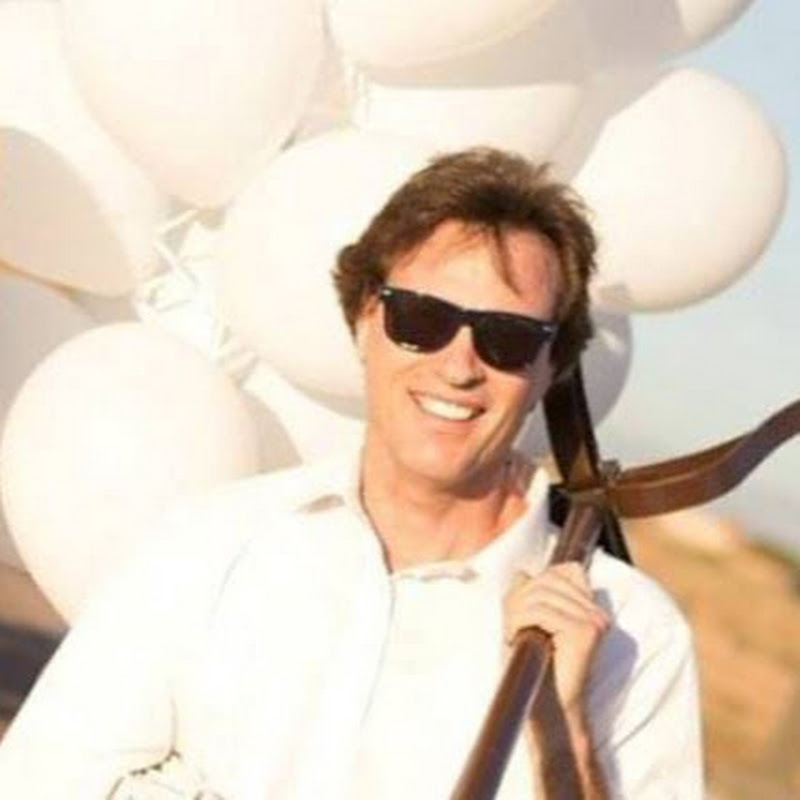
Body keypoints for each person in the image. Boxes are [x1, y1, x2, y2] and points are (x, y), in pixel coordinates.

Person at [0, 148, 702, 799]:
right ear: (366, 320)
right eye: (422, 319)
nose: (459, 366)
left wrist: (566, 734)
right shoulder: (210, 541)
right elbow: (44, 779)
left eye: (508, 338)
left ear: (552, 367)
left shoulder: (632, 633)